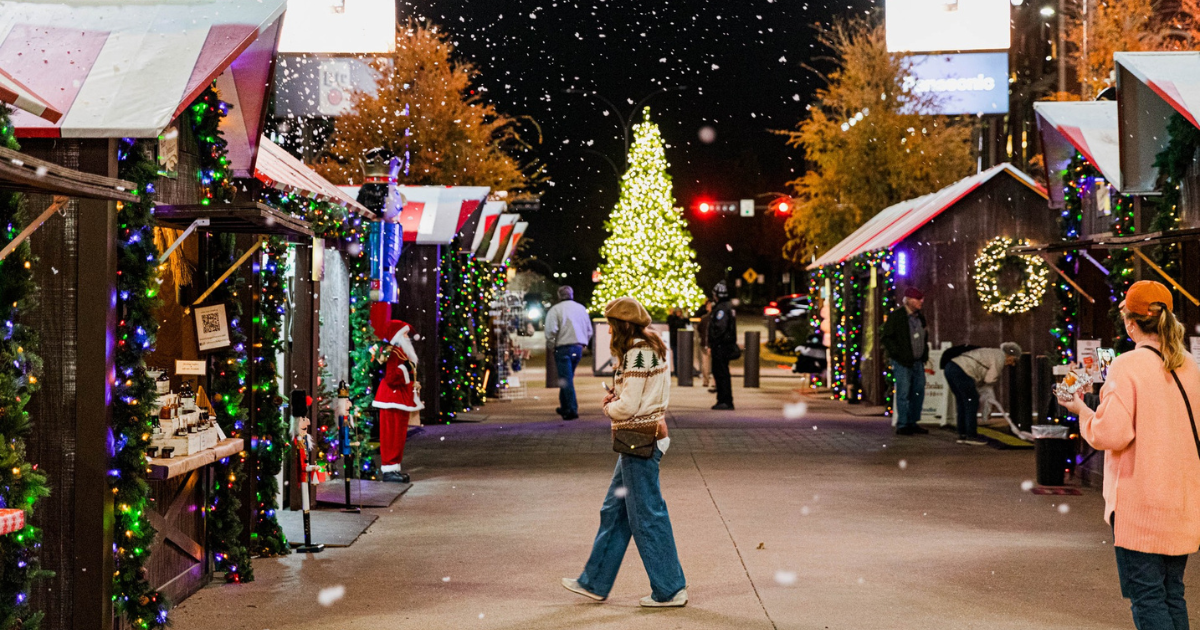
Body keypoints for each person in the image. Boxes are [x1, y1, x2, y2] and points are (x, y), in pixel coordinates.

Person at [1062, 281, 1200, 630]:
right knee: (1172, 594)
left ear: (1130, 323)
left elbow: (1112, 434)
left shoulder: (1127, 366)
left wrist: (1081, 408)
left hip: (1142, 503)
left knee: (1148, 598)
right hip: (1183, 501)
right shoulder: (1191, 367)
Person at [562, 296, 688, 608]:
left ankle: (670, 589)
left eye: (611, 326)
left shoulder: (636, 353)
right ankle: (594, 582)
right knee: (615, 512)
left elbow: (629, 406)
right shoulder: (652, 346)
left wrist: (609, 407)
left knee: (647, 515)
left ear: (623, 325)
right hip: (645, 436)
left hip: (639, 440)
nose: (607, 332)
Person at [369, 302, 423, 483]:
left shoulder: (402, 352)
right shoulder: (394, 352)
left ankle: (395, 467)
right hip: (391, 398)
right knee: (391, 435)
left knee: (398, 435)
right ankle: (389, 469)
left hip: (399, 399)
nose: (407, 336)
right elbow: (392, 377)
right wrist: (406, 371)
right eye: (405, 333)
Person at [944, 342, 1021, 445]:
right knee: (972, 402)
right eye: (1014, 360)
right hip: (962, 370)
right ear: (1009, 355)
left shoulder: (992, 352)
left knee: (962, 402)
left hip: (950, 367)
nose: (1013, 364)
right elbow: (989, 379)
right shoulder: (1000, 357)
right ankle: (971, 435)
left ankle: (962, 434)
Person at [881, 287, 929, 435]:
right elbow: (886, 337)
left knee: (918, 391)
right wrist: (897, 354)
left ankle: (912, 421)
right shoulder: (897, 317)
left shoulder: (919, 317)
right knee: (903, 392)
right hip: (903, 362)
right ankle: (903, 424)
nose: (921, 302)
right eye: (918, 299)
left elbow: (924, 336)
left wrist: (924, 354)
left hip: (917, 361)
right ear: (909, 300)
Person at [544, 285, 594, 421]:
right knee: (567, 378)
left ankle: (572, 409)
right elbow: (589, 330)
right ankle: (565, 406)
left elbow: (551, 331)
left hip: (563, 348)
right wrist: (584, 344)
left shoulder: (555, 310)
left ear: (559, 295)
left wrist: (552, 345)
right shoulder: (581, 309)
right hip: (577, 347)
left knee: (566, 379)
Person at [708, 281, 738, 410]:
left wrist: (713, 342)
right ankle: (724, 400)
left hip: (721, 346)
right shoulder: (727, 307)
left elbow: (720, 327)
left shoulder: (721, 309)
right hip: (723, 346)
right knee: (722, 373)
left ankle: (724, 400)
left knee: (721, 373)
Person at [695, 300, 713, 389]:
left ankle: (706, 381)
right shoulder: (716, 318)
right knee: (714, 364)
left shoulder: (704, 318)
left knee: (705, 364)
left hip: (705, 344)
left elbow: (699, 329)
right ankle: (714, 382)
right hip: (713, 344)